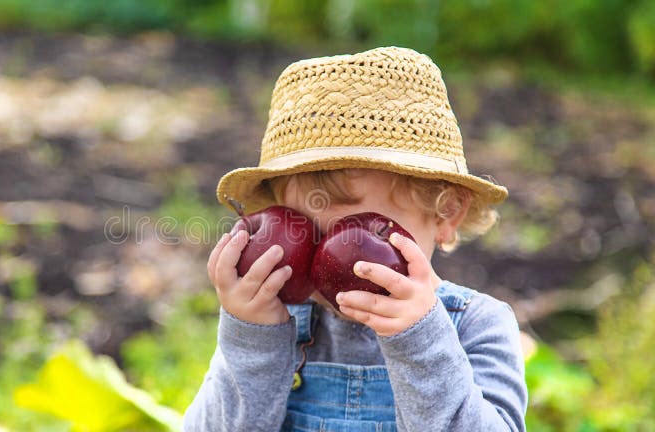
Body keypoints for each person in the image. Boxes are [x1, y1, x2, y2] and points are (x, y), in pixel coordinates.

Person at [183, 46, 527, 432]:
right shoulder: (277, 324)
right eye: (305, 231)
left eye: (358, 232)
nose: (326, 258)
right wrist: (250, 340)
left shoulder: (477, 327)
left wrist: (420, 342)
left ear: (446, 215)